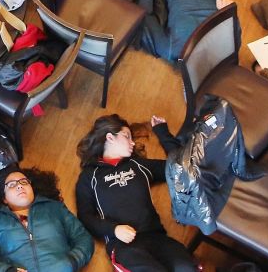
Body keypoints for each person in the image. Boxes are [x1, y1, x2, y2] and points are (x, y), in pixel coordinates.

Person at [75, 115, 195, 272]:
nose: (132, 142)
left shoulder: (138, 165)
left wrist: (162, 133)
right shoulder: (89, 176)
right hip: (123, 246)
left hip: (157, 238)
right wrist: (114, 229)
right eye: (127, 136)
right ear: (110, 137)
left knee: (186, 267)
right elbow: (85, 216)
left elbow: (179, 167)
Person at [0, 168, 95, 271]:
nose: (19, 186)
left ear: (32, 189)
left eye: (24, 182)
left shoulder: (55, 208)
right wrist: (6, 271)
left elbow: (83, 237)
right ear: (4, 199)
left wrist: (72, 261)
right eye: (12, 185)